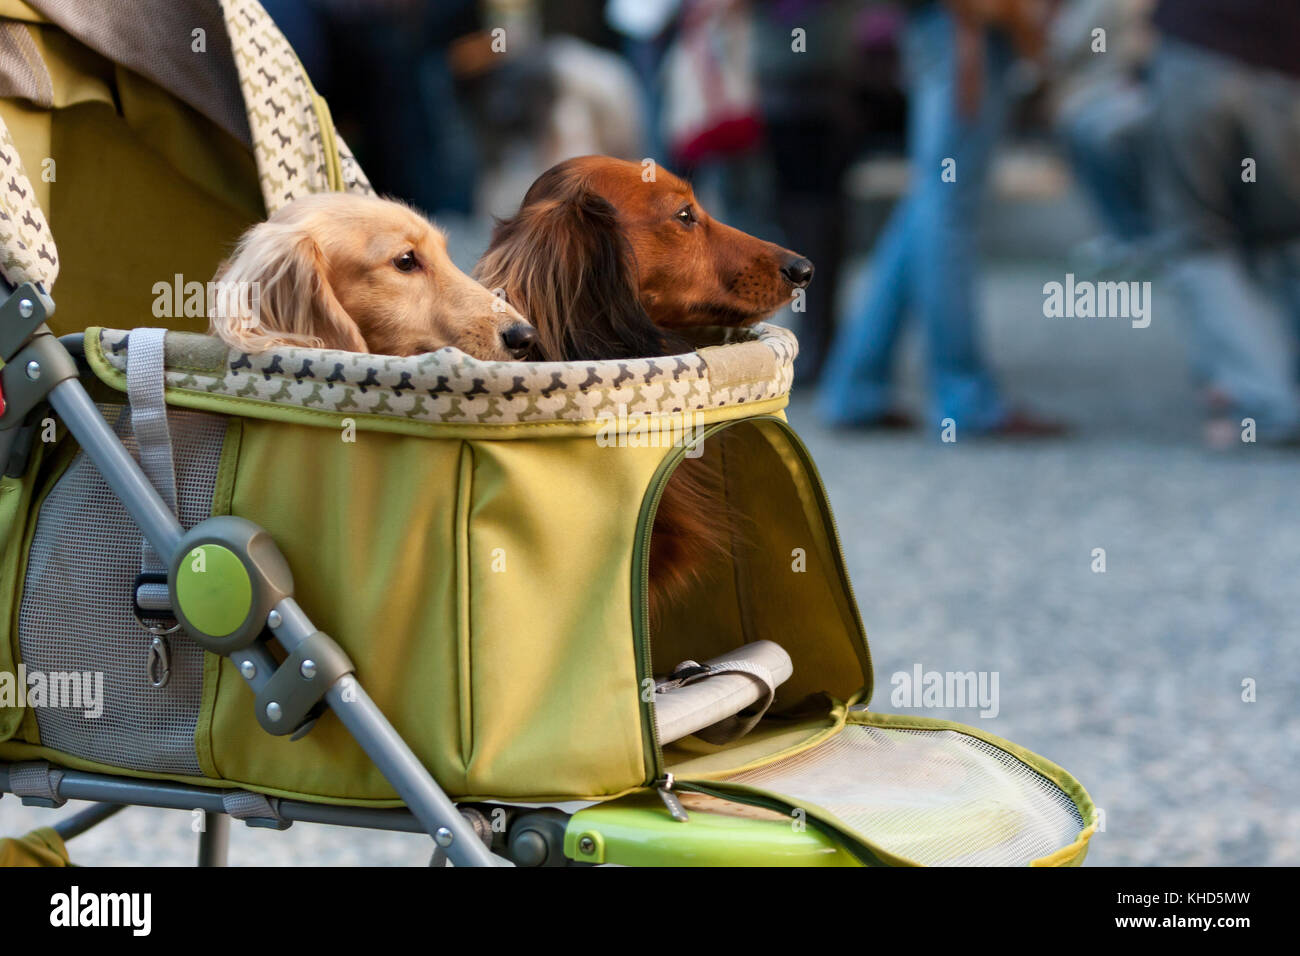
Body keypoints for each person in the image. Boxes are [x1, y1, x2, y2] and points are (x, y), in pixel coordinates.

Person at [818, 0, 1065, 437]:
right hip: (967, 24)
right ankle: (964, 399)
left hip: (959, 24)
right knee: (946, 208)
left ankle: (858, 385)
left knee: (932, 203)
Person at [1145, 0, 1300, 446]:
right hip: (1285, 68)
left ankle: (1268, 402)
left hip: (1198, 50)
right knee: (1286, 234)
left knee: (1196, 240)